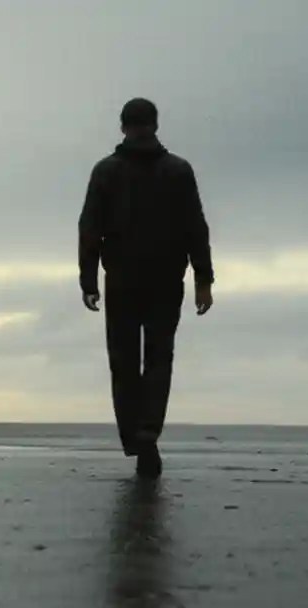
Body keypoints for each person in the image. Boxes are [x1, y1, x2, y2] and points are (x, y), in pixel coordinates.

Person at [78, 97, 214, 479]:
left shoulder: (107, 171)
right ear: (155, 125)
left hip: (124, 279)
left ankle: (139, 439)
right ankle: (147, 434)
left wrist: (88, 280)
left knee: (125, 363)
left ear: (123, 126)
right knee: (157, 360)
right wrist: (203, 279)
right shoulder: (177, 170)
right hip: (164, 280)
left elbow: (89, 228)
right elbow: (196, 228)